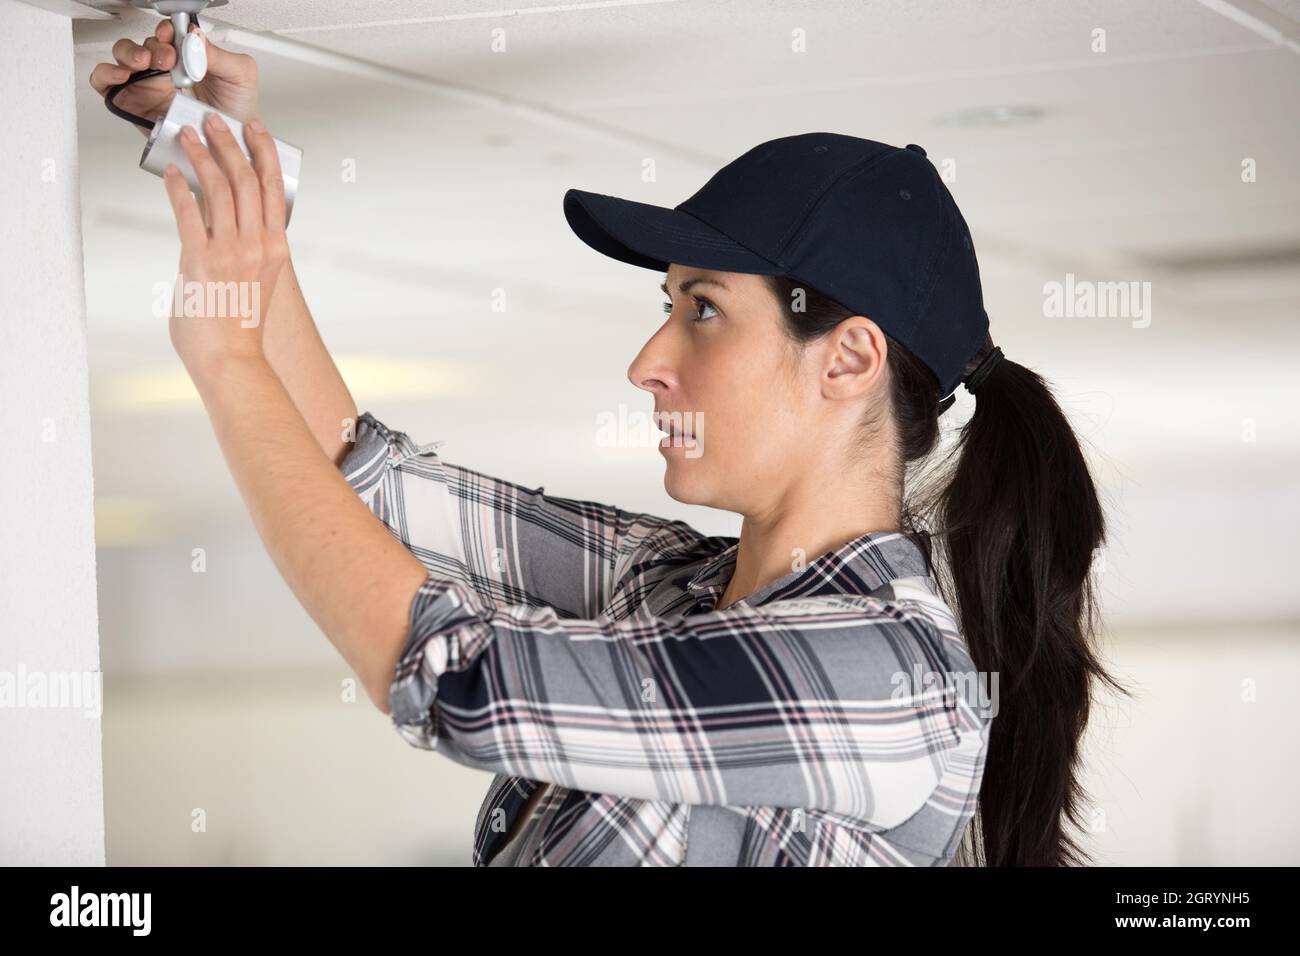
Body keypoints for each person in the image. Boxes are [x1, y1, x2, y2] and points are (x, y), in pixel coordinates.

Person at [90, 22, 1127, 867]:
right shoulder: (669, 585)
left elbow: (461, 681)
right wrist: (216, 156)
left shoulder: (886, 676)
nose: (648, 359)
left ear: (847, 359)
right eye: (666, 303)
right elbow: (373, 484)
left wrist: (226, 361)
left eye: (704, 309)